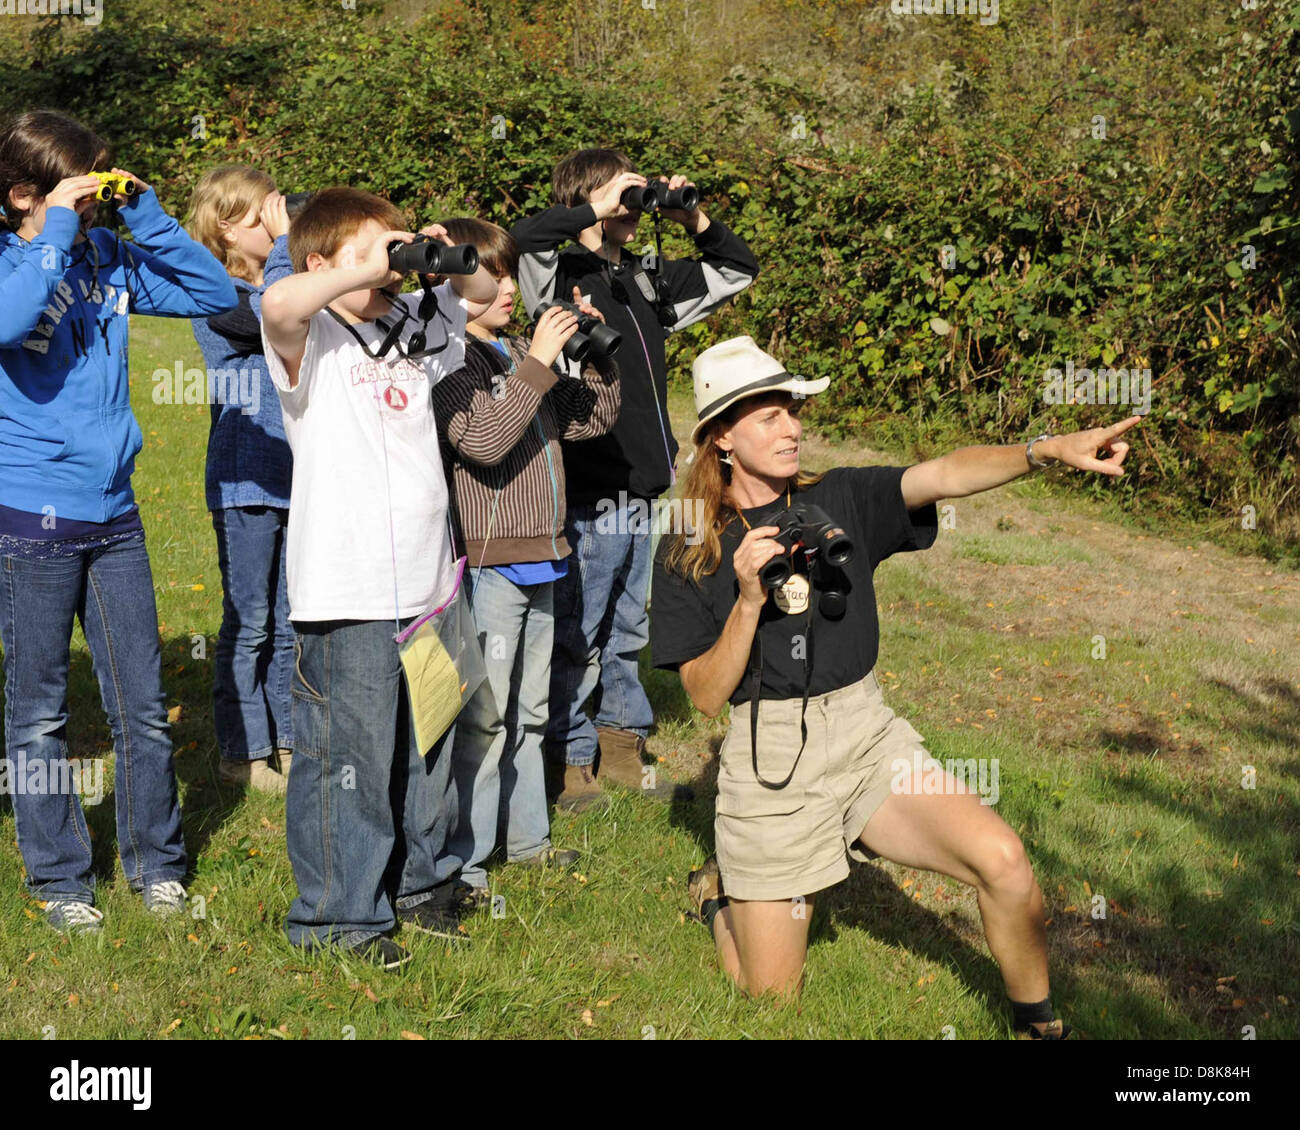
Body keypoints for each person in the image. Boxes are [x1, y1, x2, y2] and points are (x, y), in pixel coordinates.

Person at [651, 335, 1142, 1037]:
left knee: (1003, 862)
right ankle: (717, 897)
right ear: (722, 436)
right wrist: (748, 600)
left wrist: (1046, 450)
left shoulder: (840, 495)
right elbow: (702, 694)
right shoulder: (688, 541)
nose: (792, 426)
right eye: (768, 416)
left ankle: (1039, 1027)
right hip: (771, 760)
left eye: (793, 409)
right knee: (768, 997)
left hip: (865, 734)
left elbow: (941, 474)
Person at [0, 109, 238, 934]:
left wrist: (146, 215)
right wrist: (54, 229)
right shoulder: (8, 258)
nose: (91, 200)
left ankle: (156, 866)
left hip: (115, 512)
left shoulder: (107, 254)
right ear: (23, 192)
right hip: (29, 518)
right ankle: (62, 880)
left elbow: (215, 293)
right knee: (37, 713)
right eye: (77, 186)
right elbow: (8, 318)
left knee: (139, 703)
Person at [259, 187, 498, 969]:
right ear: (324, 261)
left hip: (429, 583)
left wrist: (423, 261)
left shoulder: (406, 329)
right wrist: (353, 264)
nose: (386, 269)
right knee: (347, 759)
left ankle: (423, 887)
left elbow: (480, 290)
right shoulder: (308, 337)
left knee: (427, 749)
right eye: (366, 255)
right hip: (348, 589)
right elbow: (284, 298)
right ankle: (339, 920)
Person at [512, 148, 759, 812]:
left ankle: (621, 742)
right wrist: (592, 211)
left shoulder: (645, 278)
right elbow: (521, 240)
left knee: (626, 623)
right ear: (584, 198)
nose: (631, 201)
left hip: (643, 480)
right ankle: (569, 759)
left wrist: (689, 216)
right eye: (617, 192)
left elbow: (736, 270)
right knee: (580, 626)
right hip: (589, 480)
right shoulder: (555, 277)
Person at [430, 217, 620, 900]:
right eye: (492, 274)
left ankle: (529, 840)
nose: (509, 286)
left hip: (545, 555)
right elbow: (481, 440)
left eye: (511, 272)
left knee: (532, 710)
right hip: (490, 563)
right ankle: (470, 864)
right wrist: (536, 364)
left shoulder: (517, 352)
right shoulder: (449, 360)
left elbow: (592, 419)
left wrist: (593, 353)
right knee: (485, 716)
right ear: (451, 284)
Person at [187, 165, 295, 795]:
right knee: (250, 619)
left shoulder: (284, 280)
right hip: (244, 475)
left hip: (294, 473)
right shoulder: (214, 290)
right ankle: (242, 751)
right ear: (225, 226)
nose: (271, 228)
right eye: (260, 218)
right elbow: (271, 319)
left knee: (289, 619)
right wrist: (288, 249)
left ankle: (285, 739)